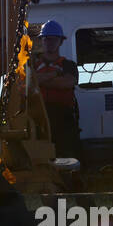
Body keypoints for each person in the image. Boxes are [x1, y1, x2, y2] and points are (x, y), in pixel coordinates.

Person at [32, 20, 81, 159]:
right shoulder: (33, 65)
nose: (50, 42)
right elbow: (27, 82)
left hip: (64, 121)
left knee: (67, 156)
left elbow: (67, 83)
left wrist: (40, 80)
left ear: (61, 41)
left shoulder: (69, 65)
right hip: (38, 119)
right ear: (41, 41)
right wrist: (55, 74)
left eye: (54, 39)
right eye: (46, 39)